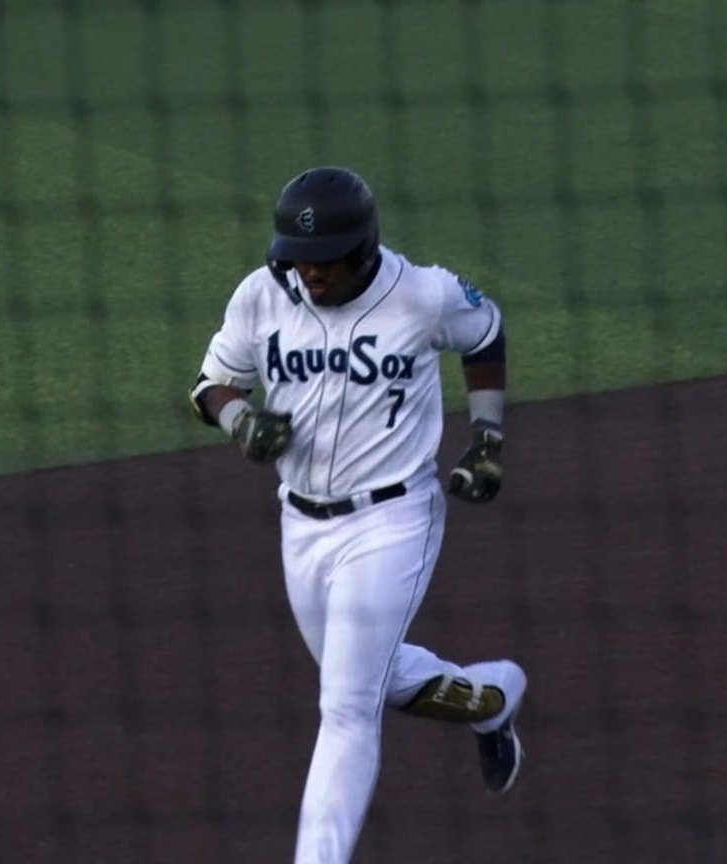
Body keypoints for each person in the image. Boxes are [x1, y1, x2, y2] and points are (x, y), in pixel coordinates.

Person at [187, 166, 528, 863]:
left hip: (394, 521)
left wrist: (488, 438)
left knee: (345, 706)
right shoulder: (262, 296)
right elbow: (211, 385)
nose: (310, 274)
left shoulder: (422, 295)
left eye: (325, 262)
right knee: (381, 679)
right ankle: (494, 696)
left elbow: (485, 332)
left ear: (364, 249)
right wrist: (242, 424)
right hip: (300, 526)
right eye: (299, 261)